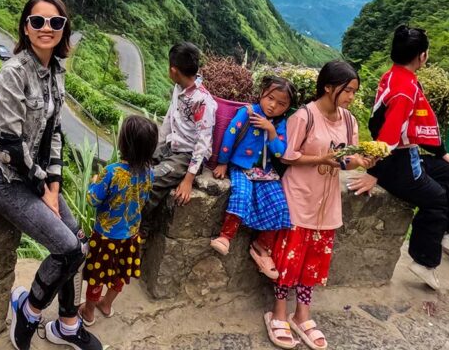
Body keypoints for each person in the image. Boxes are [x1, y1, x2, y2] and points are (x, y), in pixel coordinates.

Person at [0, 0, 102, 350]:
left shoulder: (55, 72)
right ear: (26, 28)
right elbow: (12, 146)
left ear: (64, 30)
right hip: (4, 179)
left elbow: (54, 133)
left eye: (56, 22)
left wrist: (54, 183)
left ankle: (66, 323)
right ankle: (29, 311)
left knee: (78, 241)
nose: (47, 28)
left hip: (36, 177)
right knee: (67, 248)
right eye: (38, 21)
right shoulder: (13, 72)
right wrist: (43, 187)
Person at [265, 61, 376, 350]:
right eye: (348, 90)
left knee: (315, 261)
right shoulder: (304, 116)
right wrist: (321, 159)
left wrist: (361, 161)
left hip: (327, 204)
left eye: (354, 91)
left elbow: (346, 159)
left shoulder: (350, 121)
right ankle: (278, 311)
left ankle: (302, 314)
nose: (352, 97)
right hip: (300, 196)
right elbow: (287, 156)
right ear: (328, 87)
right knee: (289, 258)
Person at [364, 25, 449, 290]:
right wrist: (373, 173)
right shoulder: (405, 90)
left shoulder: (396, 76)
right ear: (422, 56)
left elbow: (412, 127)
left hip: (405, 155)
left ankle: (445, 235)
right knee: (438, 200)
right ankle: (424, 262)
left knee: (447, 175)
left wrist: (442, 153)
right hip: (395, 163)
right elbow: (389, 138)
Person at [211, 76, 297, 279]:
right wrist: (223, 162)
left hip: (265, 172)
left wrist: (271, 130)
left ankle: (262, 246)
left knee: (280, 204)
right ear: (262, 94)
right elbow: (230, 135)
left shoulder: (280, 124)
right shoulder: (247, 113)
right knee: (241, 194)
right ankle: (225, 237)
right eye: (270, 98)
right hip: (240, 167)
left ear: (287, 107)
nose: (273, 105)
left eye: (281, 104)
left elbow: (279, 152)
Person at [79, 115, 158, 326]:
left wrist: (94, 182)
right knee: (120, 273)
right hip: (131, 235)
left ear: (124, 143)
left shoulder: (111, 172)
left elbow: (92, 199)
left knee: (97, 274)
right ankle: (106, 304)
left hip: (105, 236)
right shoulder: (149, 173)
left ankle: (88, 311)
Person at [139, 43, 217, 236]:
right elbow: (169, 118)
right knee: (134, 165)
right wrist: (152, 150)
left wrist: (189, 179)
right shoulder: (178, 87)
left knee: (151, 179)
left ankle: (141, 228)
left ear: (173, 70)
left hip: (186, 155)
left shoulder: (202, 101)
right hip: (169, 146)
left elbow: (203, 142)